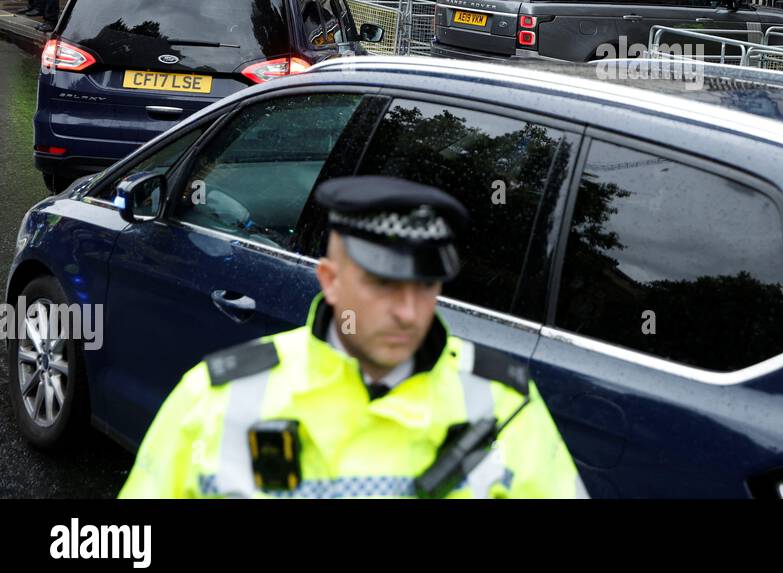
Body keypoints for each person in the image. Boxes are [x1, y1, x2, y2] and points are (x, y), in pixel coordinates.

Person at [119, 175, 586, 499]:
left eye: (424, 286)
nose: (407, 312)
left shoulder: (503, 405)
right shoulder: (220, 398)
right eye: (383, 285)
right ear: (330, 280)